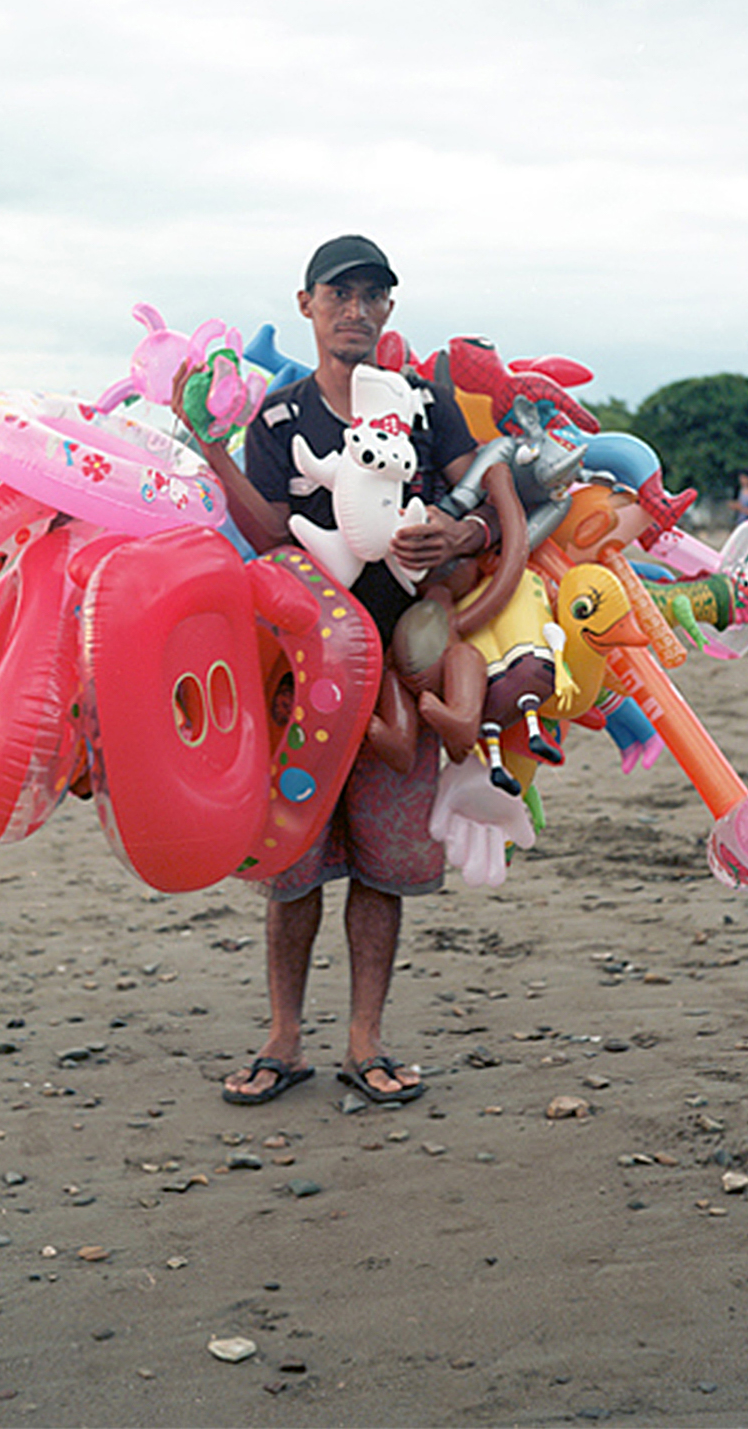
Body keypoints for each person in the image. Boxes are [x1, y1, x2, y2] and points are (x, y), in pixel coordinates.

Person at [200, 235, 492, 1105]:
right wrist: (210, 447)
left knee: (383, 868)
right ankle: (283, 1038)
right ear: (307, 306)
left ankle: (365, 1039)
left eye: (372, 296)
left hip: (406, 671)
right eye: (340, 294)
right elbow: (264, 536)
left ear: (389, 311)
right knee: (290, 868)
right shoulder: (283, 418)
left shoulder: (425, 405)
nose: (356, 310)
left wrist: (461, 533)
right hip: (300, 677)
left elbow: (491, 495)